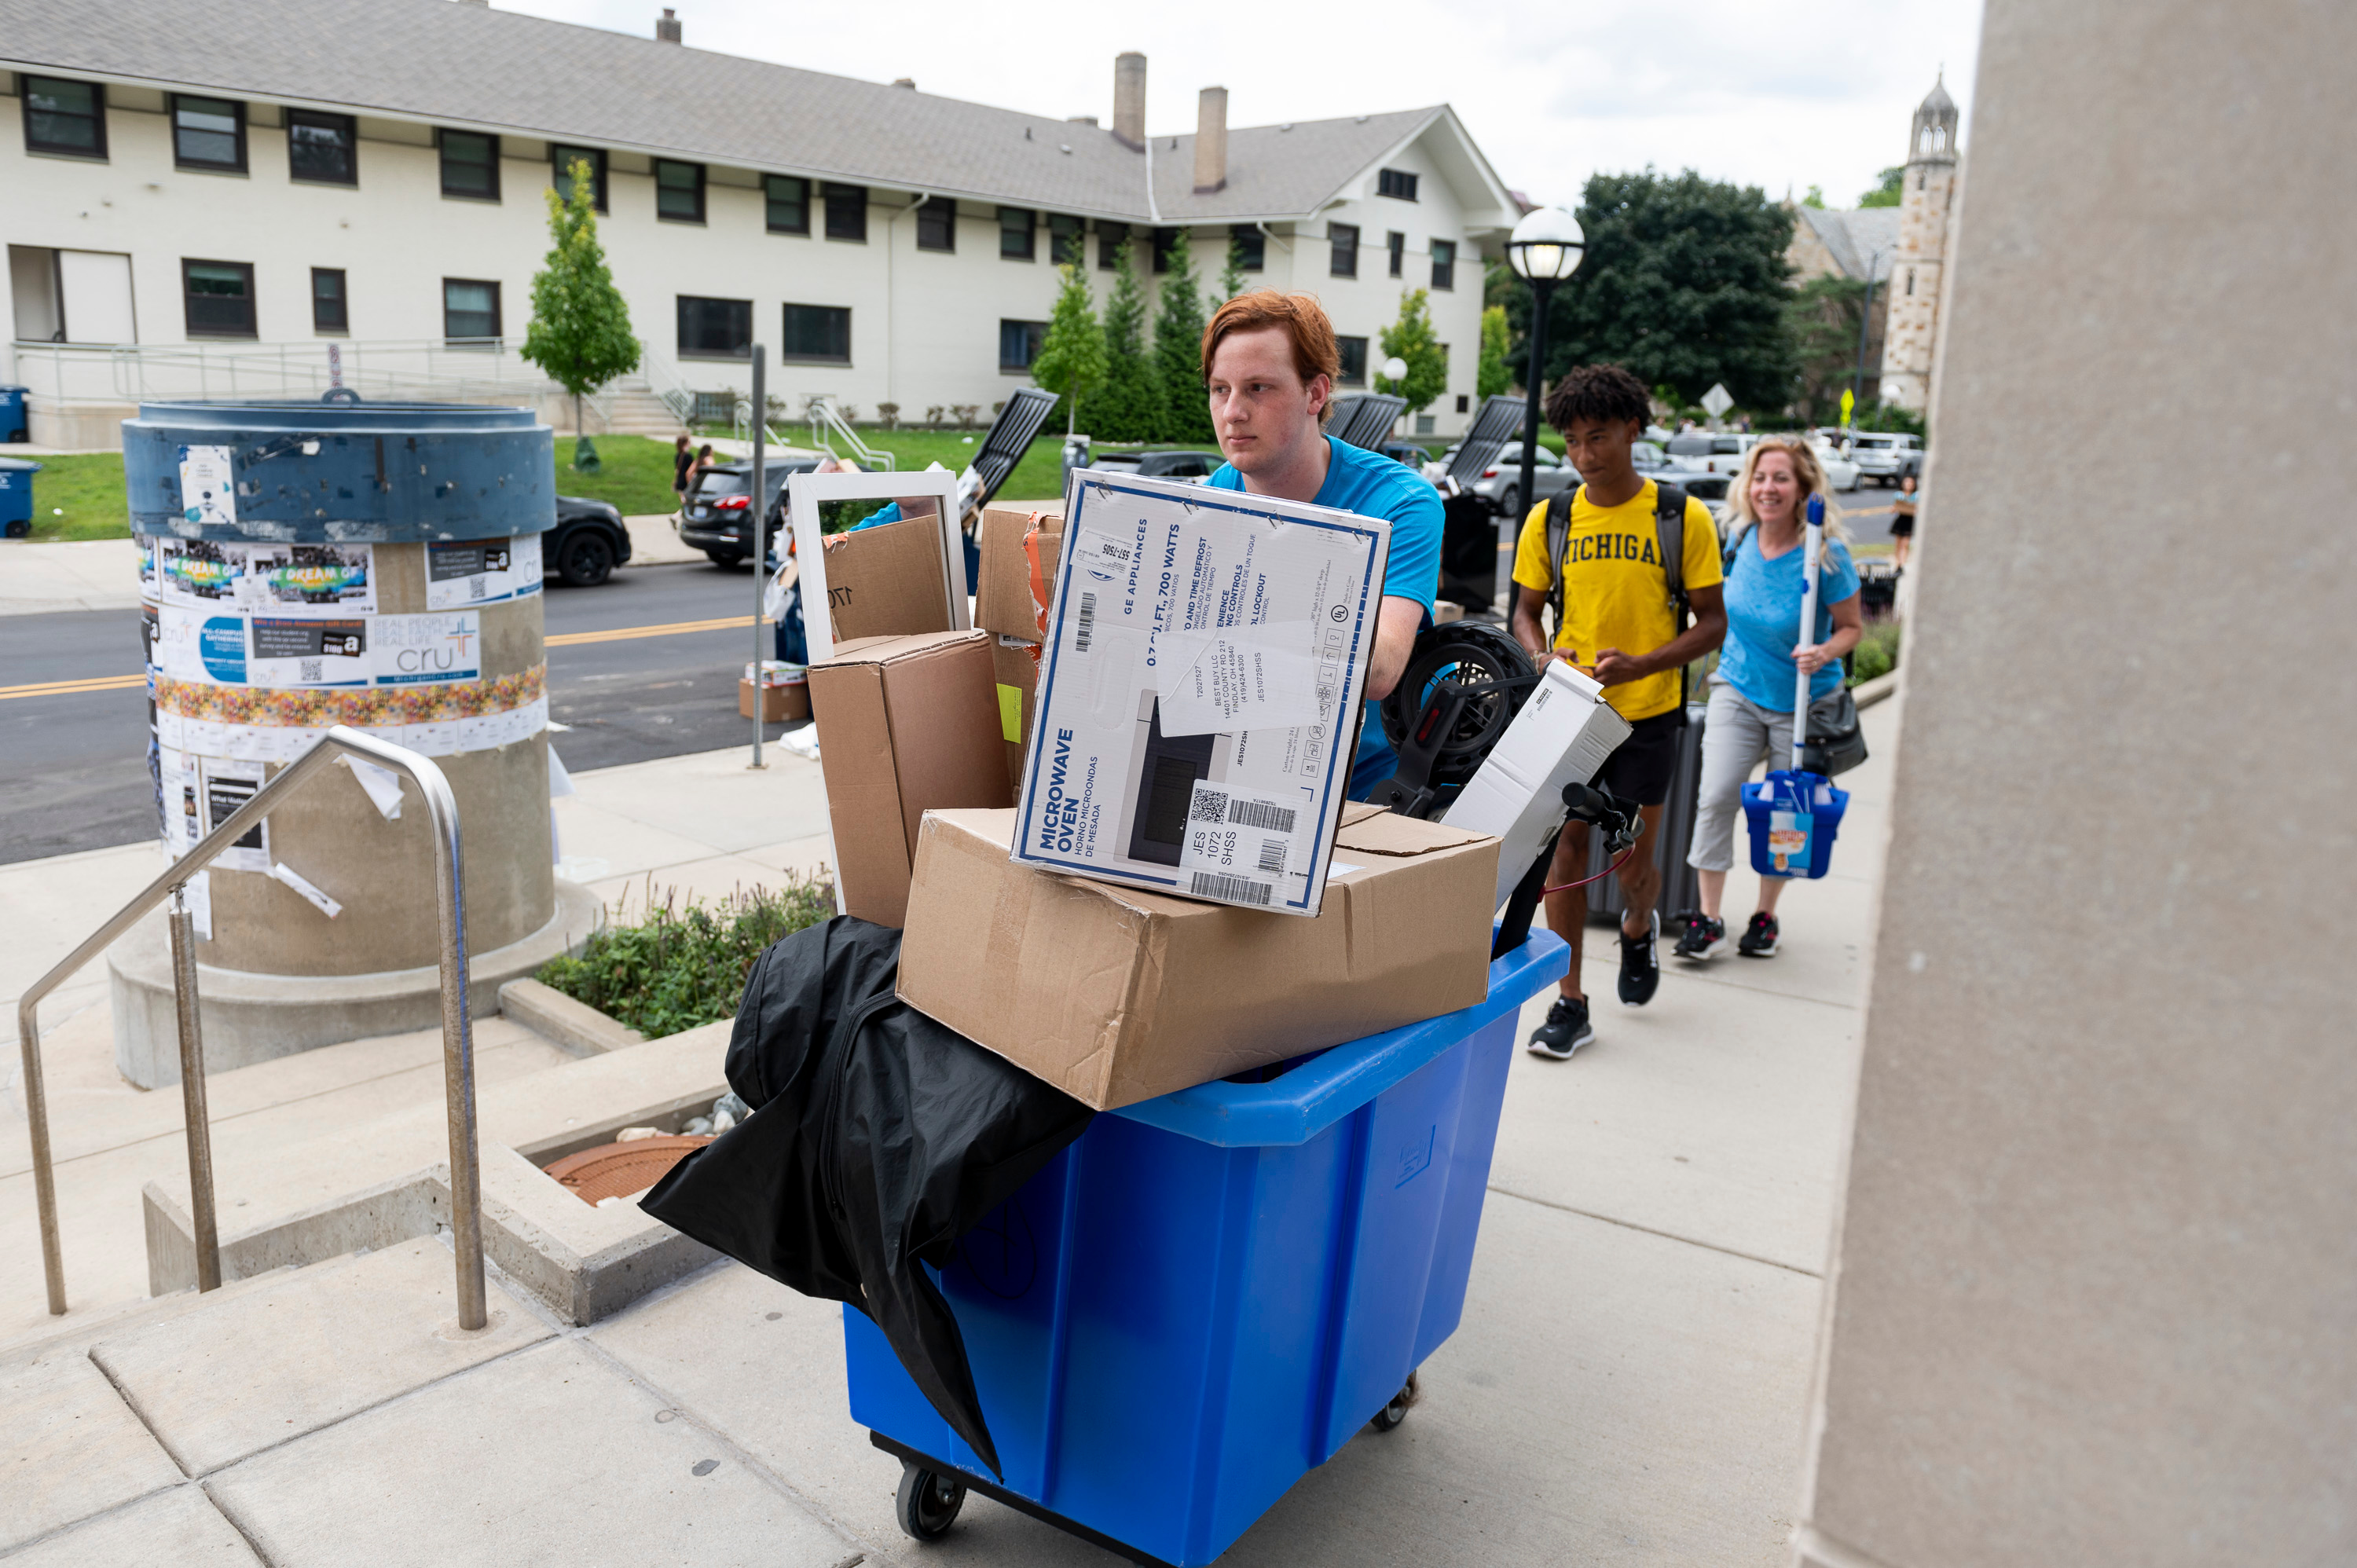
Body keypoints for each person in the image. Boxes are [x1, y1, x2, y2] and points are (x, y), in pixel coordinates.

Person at [1508, 364, 1727, 1060]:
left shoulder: (1680, 516)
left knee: (1633, 863)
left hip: (1647, 718)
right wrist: (1541, 656)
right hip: (1573, 715)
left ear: (1633, 429)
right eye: (1571, 440)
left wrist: (1644, 664)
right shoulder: (1553, 518)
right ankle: (1569, 1002)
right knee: (1566, 852)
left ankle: (1638, 926)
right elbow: (1522, 610)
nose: (1583, 455)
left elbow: (1712, 623)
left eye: (1597, 436)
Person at [1198, 290, 1443, 797]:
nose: (1233, 412)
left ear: (1315, 394)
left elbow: (1377, 669)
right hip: (1236, 773)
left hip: (1368, 793)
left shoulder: (1398, 502)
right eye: (1220, 389)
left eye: (1259, 388)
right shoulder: (1206, 502)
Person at [1675, 435, 1862, 962]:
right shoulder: (1736, 540)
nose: (1768, 488)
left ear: (1803, 488)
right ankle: (1708, 918)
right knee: (1716, 796)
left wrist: (1824, 651)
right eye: (1760, 478)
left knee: (1785, 814)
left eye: (1781, 478)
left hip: (1802, 701)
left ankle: (1765, 915)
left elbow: (1852, 628)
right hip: (1737, 686)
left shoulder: (1824, 553)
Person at [1888, 471, 1918, 570]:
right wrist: (1894, 509)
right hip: (1901, 520)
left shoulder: (1917, 496)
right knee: (1898, 544)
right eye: (1907, 482)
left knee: (1905, 545)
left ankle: (1902, 563)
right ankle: (1898, 563)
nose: (1908, 485)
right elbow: (1893, 508)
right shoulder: (1898, 495)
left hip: (1910, 521)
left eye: (1911, 483)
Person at [670, 434, 693, 517]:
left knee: (684, 503)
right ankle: (676, 517)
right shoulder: (688, 456)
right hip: (686, 483)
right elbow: (690, 471)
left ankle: (677, 517)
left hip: (679, 483)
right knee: (687, 503)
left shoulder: (678, 456)